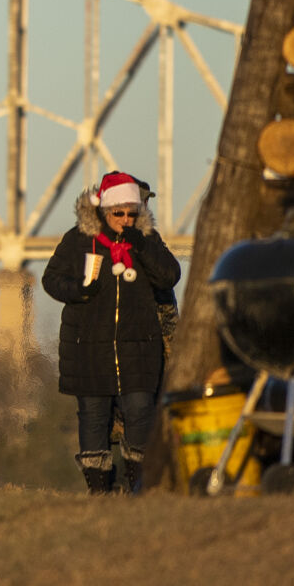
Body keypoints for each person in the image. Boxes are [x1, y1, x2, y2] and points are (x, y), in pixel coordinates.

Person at [42, 171, 181, 494]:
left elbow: (169, 276)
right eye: (119, 213)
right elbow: (51, 279)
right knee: (93, 416)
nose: (126, 219)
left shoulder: (147, 241)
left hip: (138, 347)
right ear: (104, 211)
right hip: (89, 346)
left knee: (140, 411)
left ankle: (138, 486)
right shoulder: (78, 240)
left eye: (133, 213)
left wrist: (143, 247)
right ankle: (99, 490)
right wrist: (77, 289)